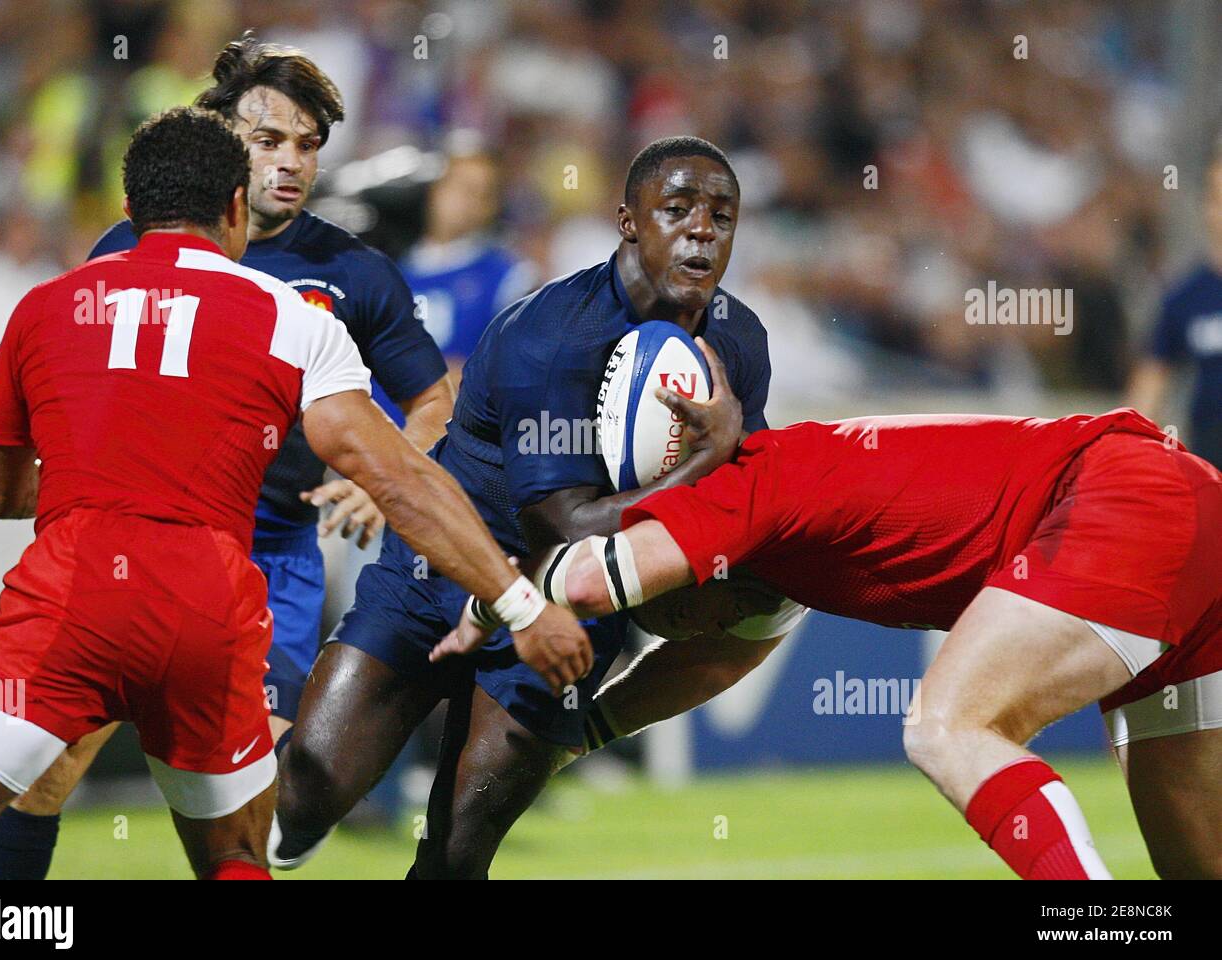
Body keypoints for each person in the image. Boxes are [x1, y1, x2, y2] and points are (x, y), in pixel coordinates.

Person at [0, 106, 590, 882]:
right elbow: (403, 480)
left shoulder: (44, 306)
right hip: (210, 607)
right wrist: (519, 603)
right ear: (237, 207)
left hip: (71, 593)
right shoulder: (290, 318)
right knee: (236, 854)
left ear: (130, 213)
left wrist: (103, 485)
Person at [0, 34, 453, 879]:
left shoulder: (353, 270)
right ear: (224, 140)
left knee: (259, 810)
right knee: (47, 770)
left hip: (270, 558)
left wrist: (383, 479)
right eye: (269, 141)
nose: (291, 163)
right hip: (130, 541)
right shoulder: (129, 245)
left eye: (307, 144)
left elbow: (432, 398)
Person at [272, 136, 782, 878]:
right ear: (627, 221)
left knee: (457, 851)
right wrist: (704, 460)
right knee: (303, 796)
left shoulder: (740, 338)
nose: (702, 228)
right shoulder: (549, 336)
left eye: (722, 215)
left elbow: (739, 495)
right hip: (439, 574)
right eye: (677, 209)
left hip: (567, 614)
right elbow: (563, 524)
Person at [438, 408, 1222, 879]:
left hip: (1122, 500)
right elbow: (717, 657)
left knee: (949, 726)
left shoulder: (743, 487)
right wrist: (584, 736)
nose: (678, 626)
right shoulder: (779, 546)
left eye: (667, 614)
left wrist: (492, 595)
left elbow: (584, 583)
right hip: (1190, 507)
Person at [399, 142, 536, 380]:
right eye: (460, 186)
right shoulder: (392, 270)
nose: (467, 201)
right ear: (435, 189)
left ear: (491, 206)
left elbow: (525, 370)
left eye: (481, 193)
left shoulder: (510, 279)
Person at [1127, 148, 1222, 469]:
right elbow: (1147, 395)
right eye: (1217, 198)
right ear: (1206, 206)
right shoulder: (1184, 297)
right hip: (1212, 464)